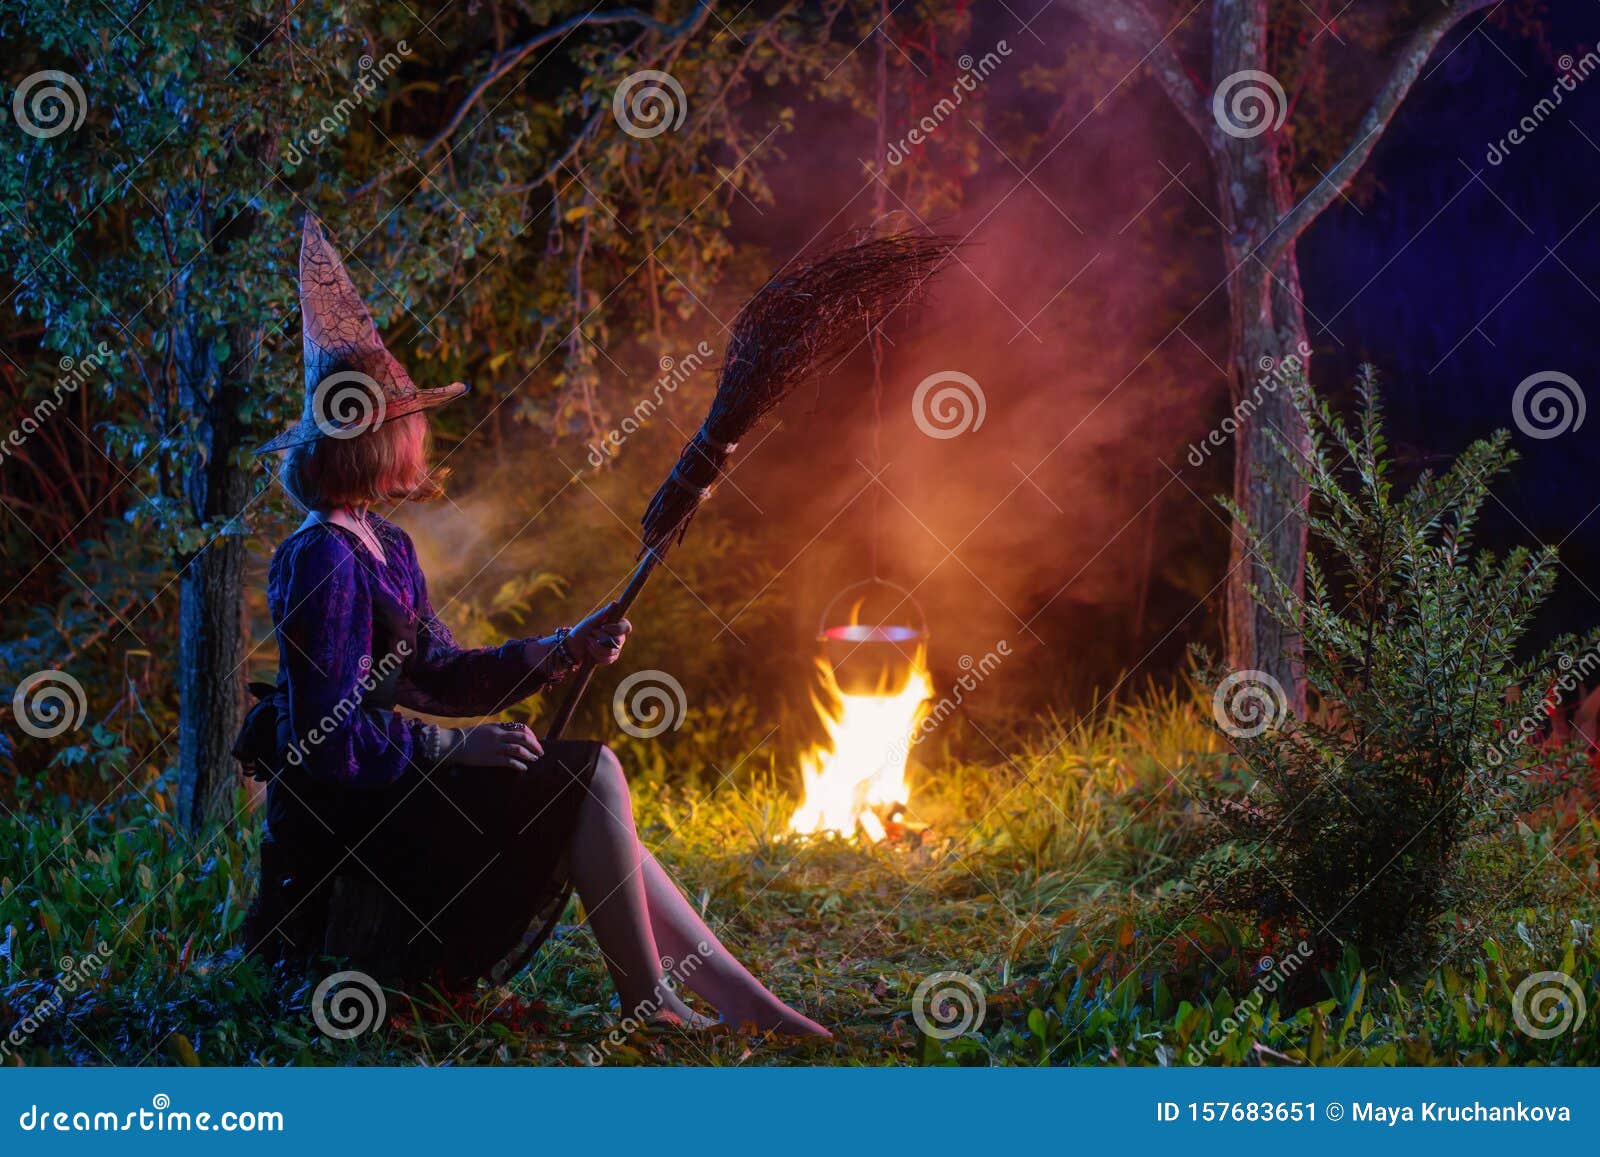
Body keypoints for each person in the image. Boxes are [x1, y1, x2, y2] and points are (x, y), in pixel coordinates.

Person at [244, 214, 827, 1039]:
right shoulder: (321, 559)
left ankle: (730, 992)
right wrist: (455, 750)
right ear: (375, 435)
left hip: (391, 788)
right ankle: (653, 1002)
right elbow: (325, 739)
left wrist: (562, 649)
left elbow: (440, 671)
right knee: (590, 775)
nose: (421, 432)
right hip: (356, 819)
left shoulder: (385, 544)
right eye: (408, 417)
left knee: (593, 793)